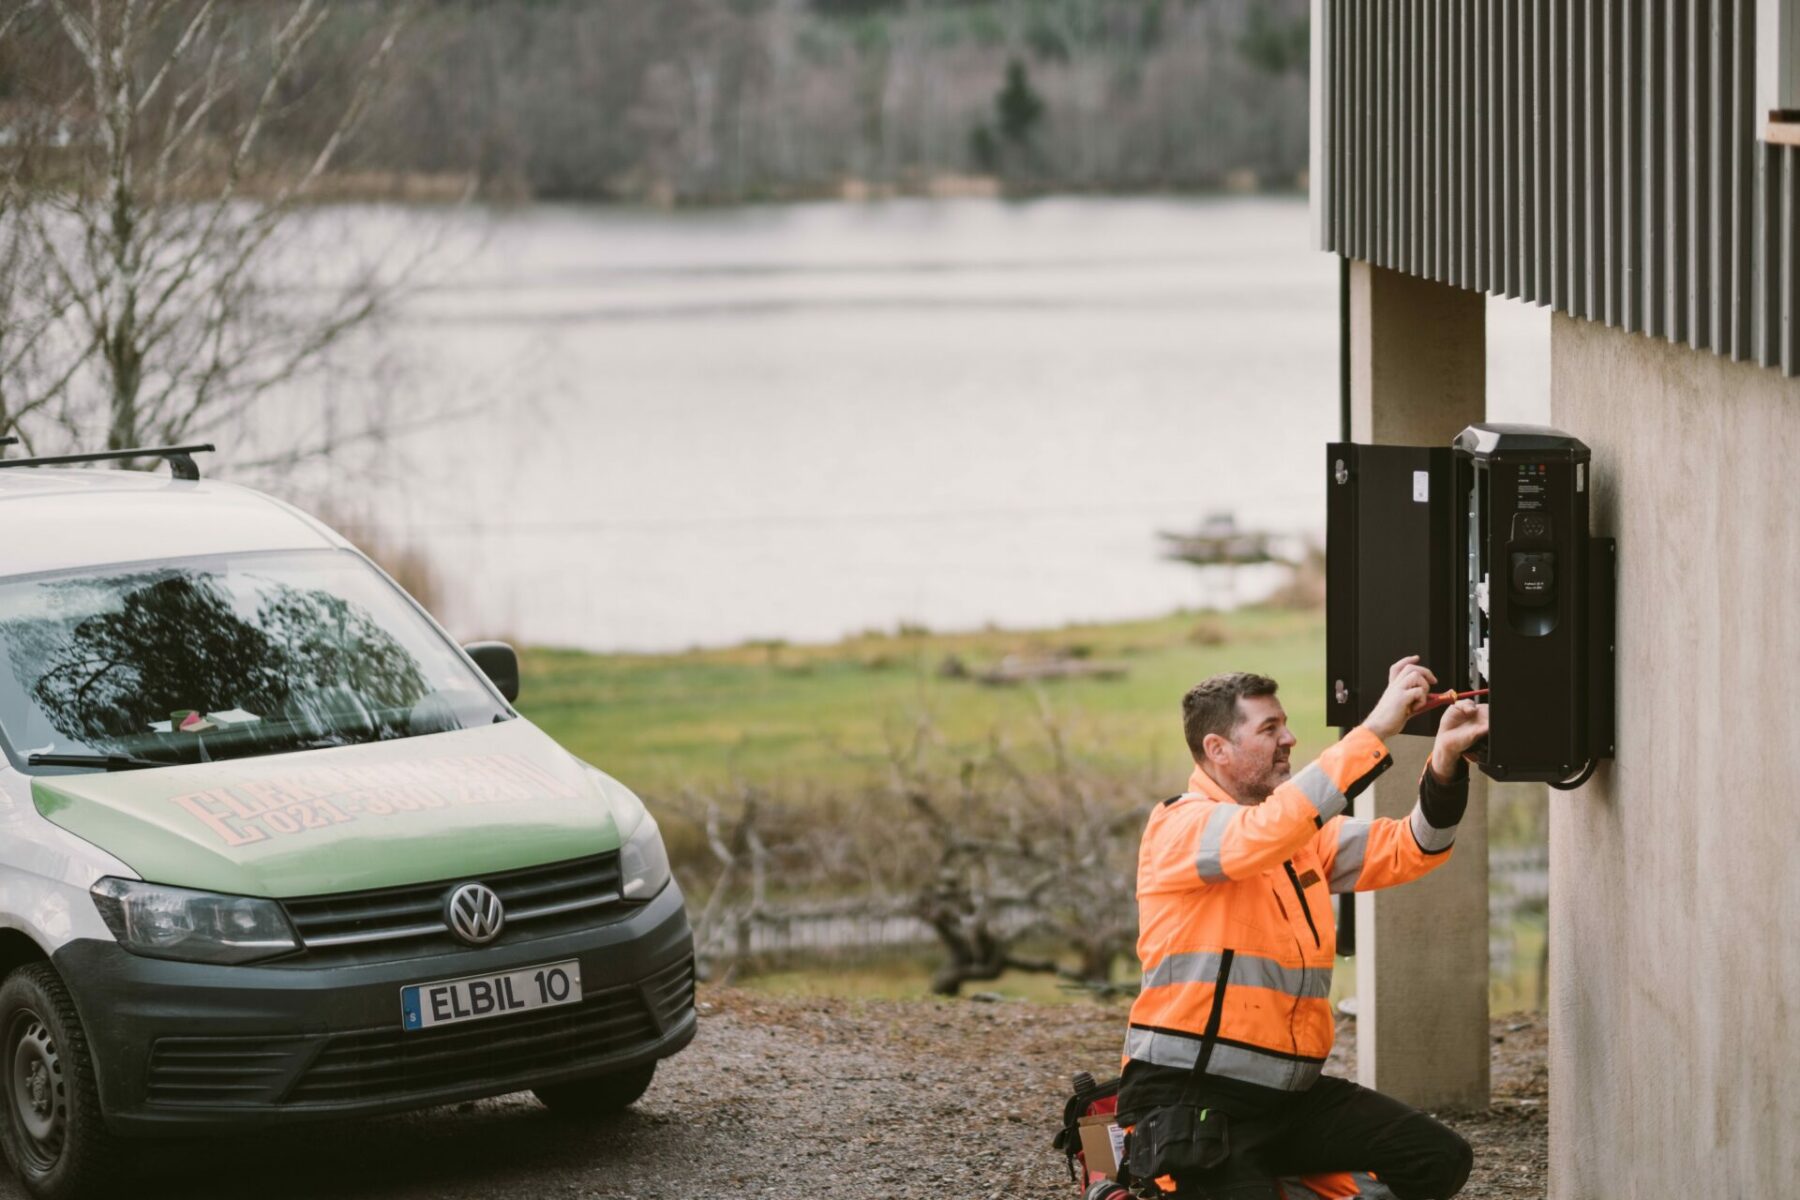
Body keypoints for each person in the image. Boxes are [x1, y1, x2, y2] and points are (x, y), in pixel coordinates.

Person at [1113, 656, 1487, 1200]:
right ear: (1217, 749)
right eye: (1269, 729)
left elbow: (1415, 846)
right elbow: (1260, 834)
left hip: (1288, 1099)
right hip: (1190, 1096)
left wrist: (1447, 760)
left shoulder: (1296, 838)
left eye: (1284, 723)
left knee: (1437, 1159)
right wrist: (1374, 730)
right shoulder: (1179, 826)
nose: (1289, 738)